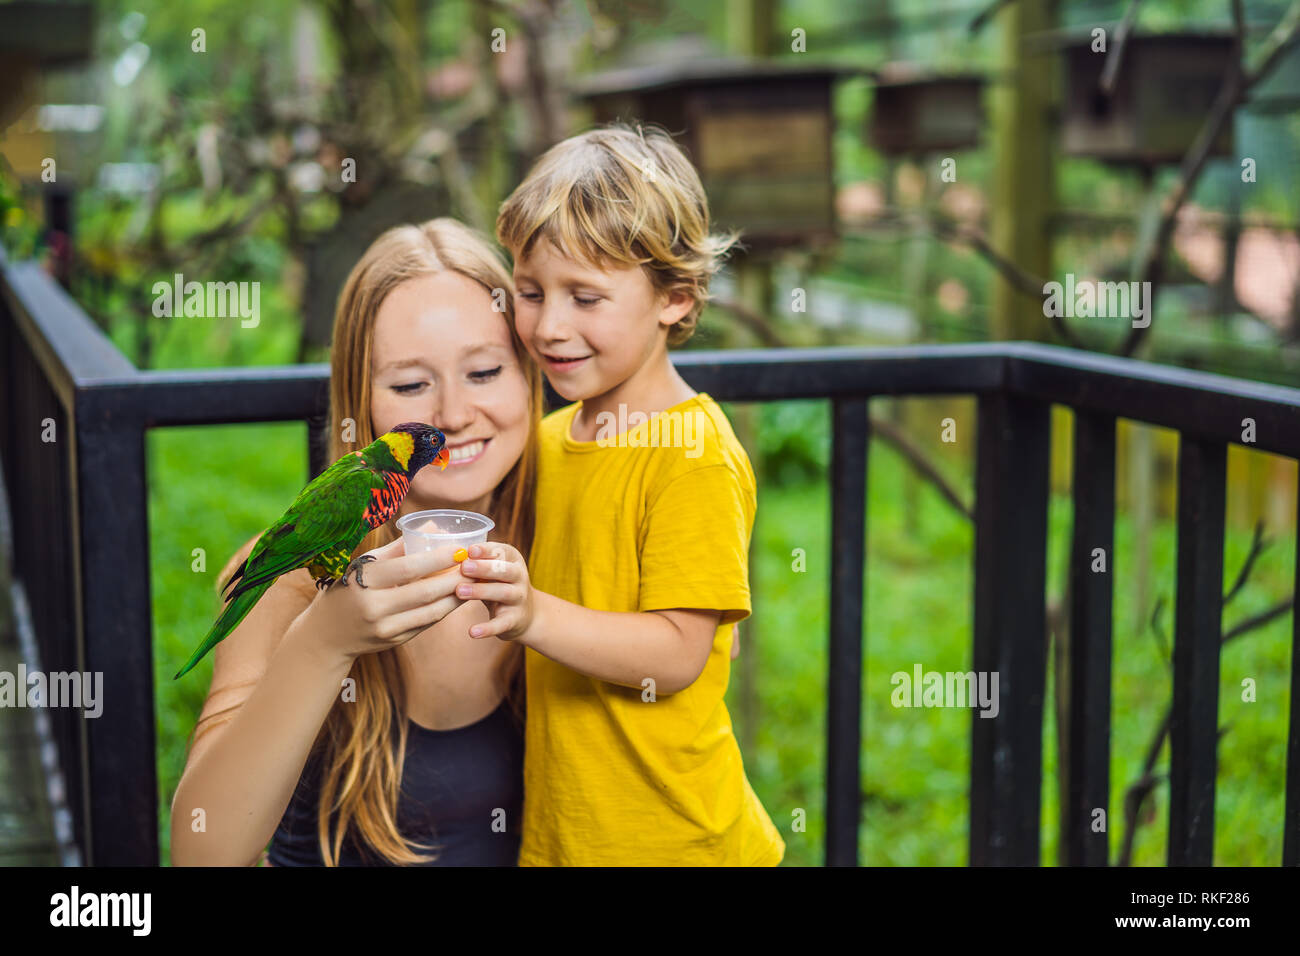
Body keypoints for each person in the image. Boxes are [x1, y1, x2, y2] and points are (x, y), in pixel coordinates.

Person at [457, 121, 786, 865]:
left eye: (587, 297)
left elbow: (676, 654)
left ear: (675, 298)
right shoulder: (548, 440)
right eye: (532, 292)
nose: (550, 326)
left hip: (671, 842)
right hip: (568, 835)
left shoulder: (693, 455)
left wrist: (533, 613)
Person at [169, 218, 542, 866]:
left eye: (483, 371)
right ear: (359, 401)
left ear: (532, 377)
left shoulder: (567, 541)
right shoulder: (297, 578)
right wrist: (324, 639)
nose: (451, 415)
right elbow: (202, 849)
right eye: (408, 385)